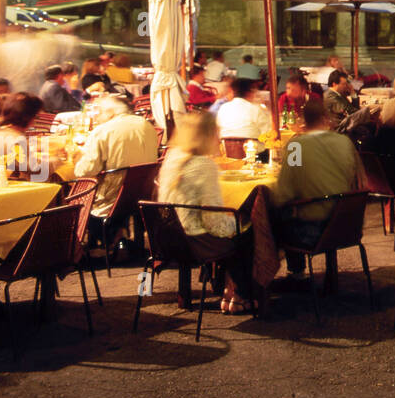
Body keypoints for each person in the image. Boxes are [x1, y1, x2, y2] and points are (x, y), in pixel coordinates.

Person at [158, 111, 255, 313]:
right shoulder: (203, 165)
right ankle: (239, 295)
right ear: (208, 135)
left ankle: (229, 290)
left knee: (237, 229)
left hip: (167, 237)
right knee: (249, 231)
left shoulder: (173, 157)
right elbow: (213, 222)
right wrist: (240, 223)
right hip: (193, 241)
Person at [271, 99, 364, 280]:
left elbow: (284, 193)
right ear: (326, 119)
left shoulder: (296, 147)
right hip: (347, 223)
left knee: (270, 220)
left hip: (312, 230)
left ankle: (295, 273)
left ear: (303, 123)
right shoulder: (344, 142)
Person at [72, 93, 159, 247]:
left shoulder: (103, 131)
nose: (96, 117)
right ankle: (119, 234)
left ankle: (104, 239)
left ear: (111, 112)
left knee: (70, 196)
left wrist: (78, 157)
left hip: (111, 197)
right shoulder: (147, 125)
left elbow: (84, 172)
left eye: (99, 112)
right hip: (143, 192)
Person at [216, 76, 273, 141]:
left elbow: (218, 130)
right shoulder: (255, 109)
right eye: (253, 90)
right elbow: (267, 132)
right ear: (248, 92)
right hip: (253, 149)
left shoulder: (223, 108)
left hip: (226, 148)